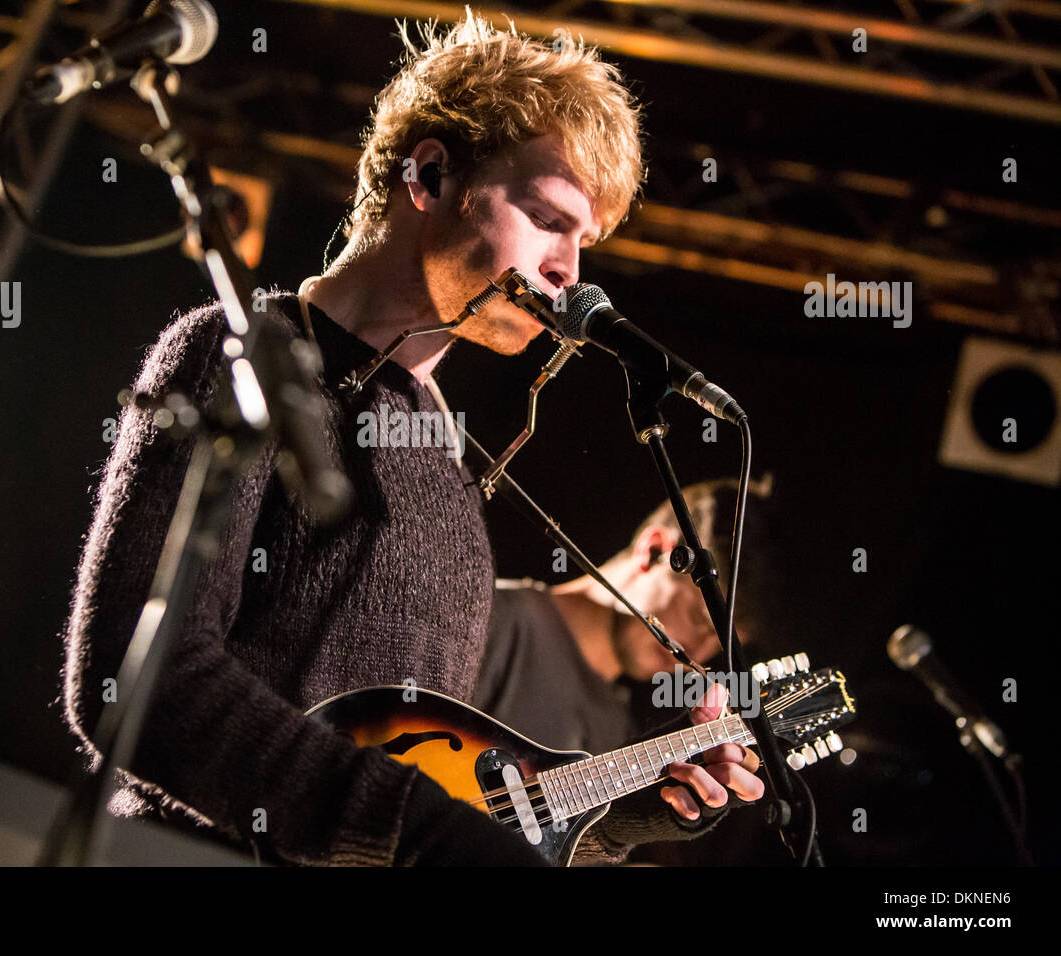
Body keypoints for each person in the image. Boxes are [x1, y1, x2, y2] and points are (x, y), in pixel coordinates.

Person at [60, 9, 762, 866]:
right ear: (428, 173)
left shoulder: (450, 475)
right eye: (548, 217)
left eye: (587, 241)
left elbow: (460, 802)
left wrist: (619, 816)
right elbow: (135, 684)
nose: (569, 271)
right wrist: (411, 826)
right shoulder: (237, 356)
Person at [475, 477, 778, 863]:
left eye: (716, 647)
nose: (696, 654)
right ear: (653, 551)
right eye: (699, 621)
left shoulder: (615, 729)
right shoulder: (493, 618)